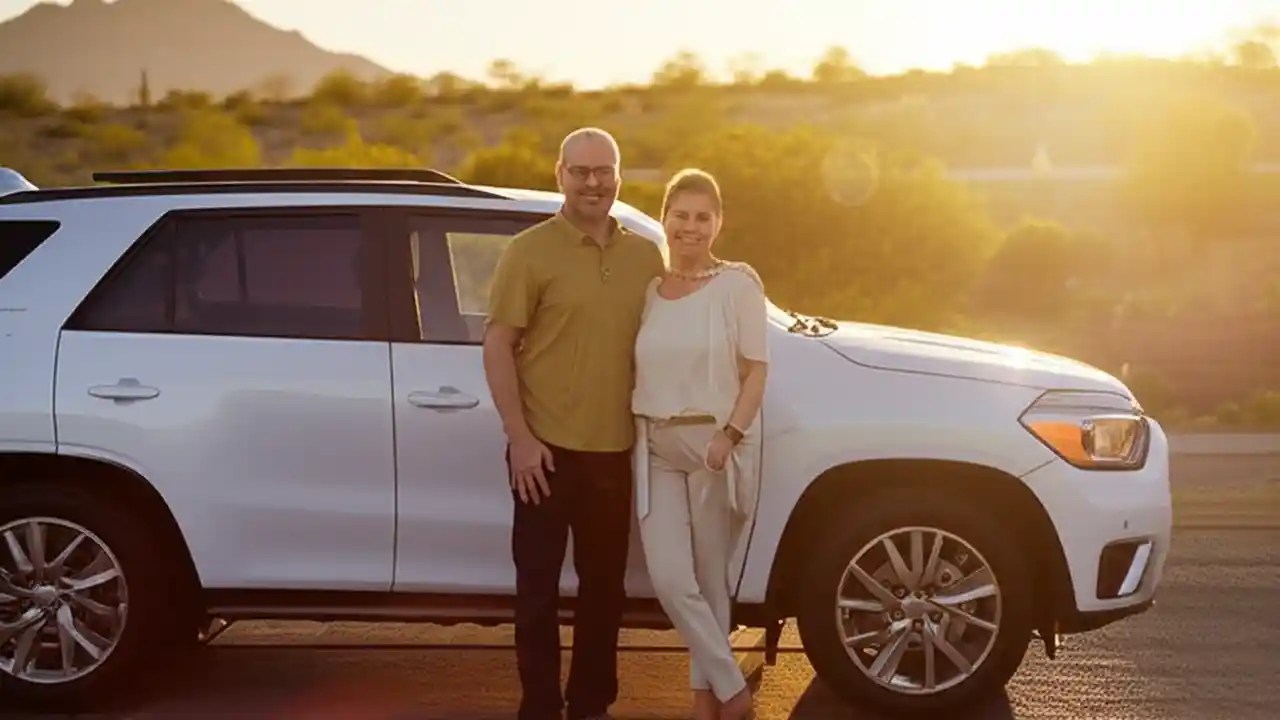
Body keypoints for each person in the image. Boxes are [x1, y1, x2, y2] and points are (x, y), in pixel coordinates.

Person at [483, 127, 665, 720]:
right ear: (559, 174)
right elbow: (498, 344)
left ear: (618, 175)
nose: (594, 183)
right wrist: (520, 440)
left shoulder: (644, 256)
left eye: (604, 171)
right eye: (582, 171)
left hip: (614, 453)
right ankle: (538, 706)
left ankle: (590, 704)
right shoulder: (530, 251)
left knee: (604, 593)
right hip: (544, 455)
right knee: (536, 594)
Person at [632, 168, 769, 720]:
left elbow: (757, 370)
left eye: (702, 217)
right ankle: (733, 690)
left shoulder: (738, 284)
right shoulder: (650, 292)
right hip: (656, 445)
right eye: (681, 215)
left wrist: (729, 435)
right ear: (664, 218)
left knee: (711, 578)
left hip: (713, 444)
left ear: (718, 223)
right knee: (669, 577)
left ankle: (702, 699)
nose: (690, 227)